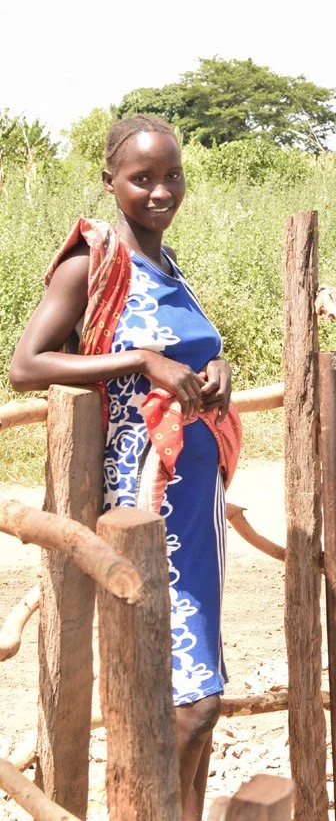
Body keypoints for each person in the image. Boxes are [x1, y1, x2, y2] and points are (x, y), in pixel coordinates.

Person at [10, 114, 241, 820]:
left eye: (172, 175)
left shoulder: (171, 268)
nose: (161, 190)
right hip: (145, 502)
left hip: (195, 499)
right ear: (111, 181)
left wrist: (218, 370)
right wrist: (142, 361)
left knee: (196, 702)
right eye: (142, 178)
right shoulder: (94, 263)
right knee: (189, 703)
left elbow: (187, 354)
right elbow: (26, 365)